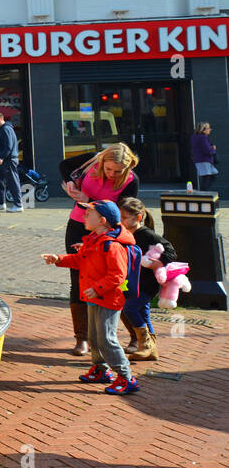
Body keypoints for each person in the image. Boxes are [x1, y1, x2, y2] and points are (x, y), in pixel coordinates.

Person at [41, 200, 139, 395]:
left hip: (108, 299)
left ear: (102, 220)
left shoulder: (111, 246)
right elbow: (79, 260)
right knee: (94, 337)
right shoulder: (94, 239)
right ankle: (101, 369)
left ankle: (126, 377)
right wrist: (59, 259)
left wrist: (98, 288)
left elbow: (117, 275)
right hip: (93, 296)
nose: (84, 216)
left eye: (89, 214)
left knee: (106, 338)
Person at [58, 143, 140, 355]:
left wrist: (90, 201)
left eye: (118, 171)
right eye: (109, 169)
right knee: (77, 278)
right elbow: (64, 165)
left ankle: (136, 335)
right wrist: (70, 184)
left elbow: (120, 211)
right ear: (102, 162)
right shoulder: (92, 161)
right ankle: (81, 339)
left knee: (115, 281)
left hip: (108, 234)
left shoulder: (131, 181)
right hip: (79, 225)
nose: (112, 174)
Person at [117, 197, 171, 362]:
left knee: (130, 308)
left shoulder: (147, 235)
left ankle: (145, 344)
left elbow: (169, 250)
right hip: (130, 281)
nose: (121, 221)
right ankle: (150, 350)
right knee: (143, 312)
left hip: (146, 283)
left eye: (124, 218)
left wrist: (159, 262)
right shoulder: (123, 233)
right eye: (119, 217)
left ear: (139, 217)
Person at [0, 112, 22, 213]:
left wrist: (1, 157)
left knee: (13, 182)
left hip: (8, 160)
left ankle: (18, 205)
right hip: (6, 160)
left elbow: (8, 146)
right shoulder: (5, 129)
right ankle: (1, 203)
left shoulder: (6, 129)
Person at [191, 122, 217, 191]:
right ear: (203, 130)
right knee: (207, 178)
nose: (210, 130)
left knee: (211, 176)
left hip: (200, 160)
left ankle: (203, 193)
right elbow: (207, 151)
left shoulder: (195, 137)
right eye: (208, 128)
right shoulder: (202, 138)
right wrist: (213, 149)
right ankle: (203, 194)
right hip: (204, 160)